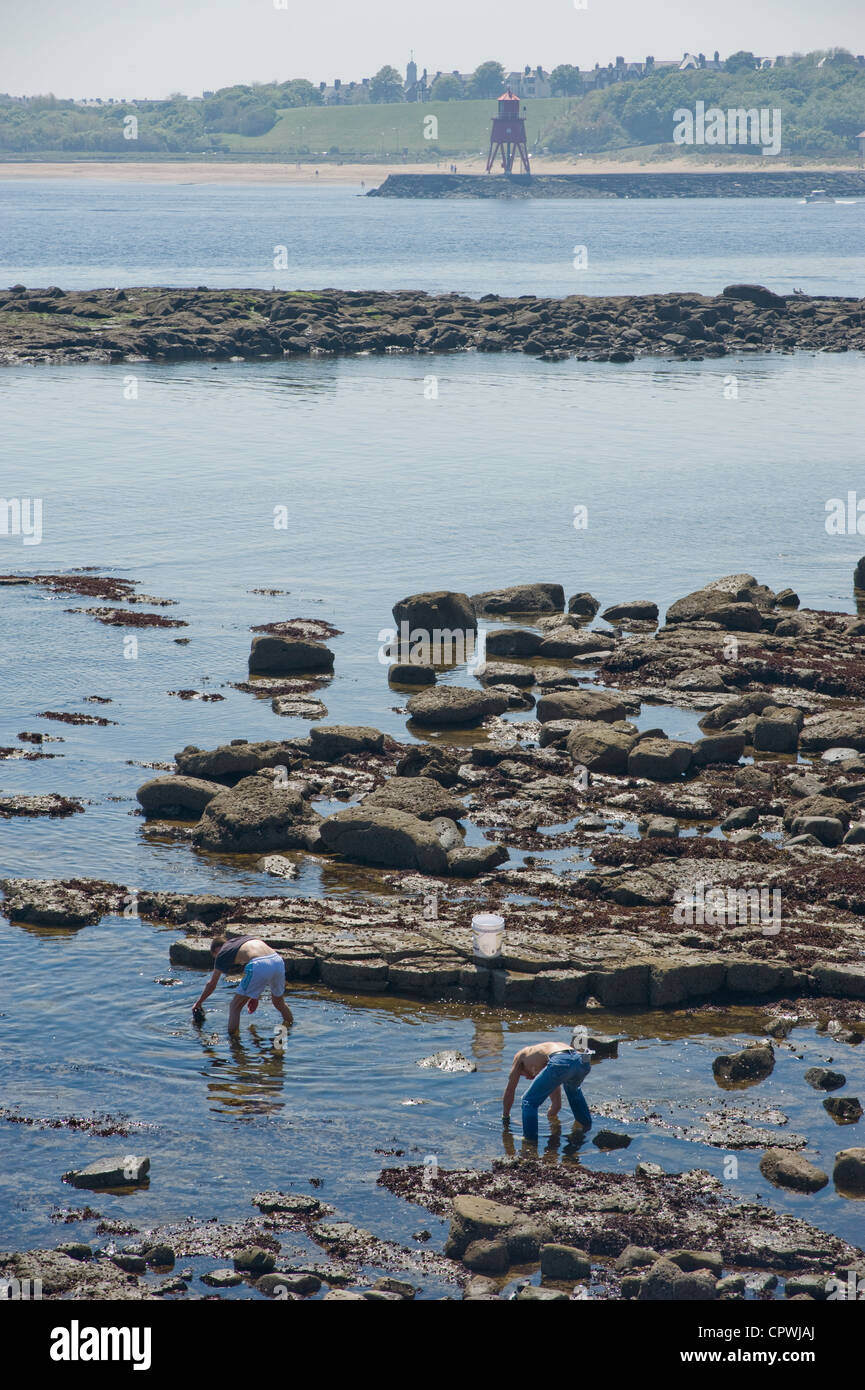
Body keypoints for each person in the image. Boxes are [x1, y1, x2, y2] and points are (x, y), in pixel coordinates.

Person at [502, 1026, 593, 1144]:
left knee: (528, 1102)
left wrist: (506, 1118)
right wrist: (552, 1118)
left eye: (523, 1075)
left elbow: (510, 1091)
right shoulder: (544, 1054)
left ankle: (530, 1143)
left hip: (560, 1061)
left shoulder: (521, 1056)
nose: (527, 1077)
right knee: (573, 1090)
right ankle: (586, 1131)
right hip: (581, 1061)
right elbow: (557, 1105)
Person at [192, 935, 294, 1035]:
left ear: (215, 951)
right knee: (279, 1002)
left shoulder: (222, 954)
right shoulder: (242, 940)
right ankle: (290, 1029)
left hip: (258, 963)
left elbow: (211, 984)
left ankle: (234, 1043)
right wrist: (255, 996)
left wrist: (198, 1003)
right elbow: (261, 969)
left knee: (235, 1006)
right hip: (277, 960)